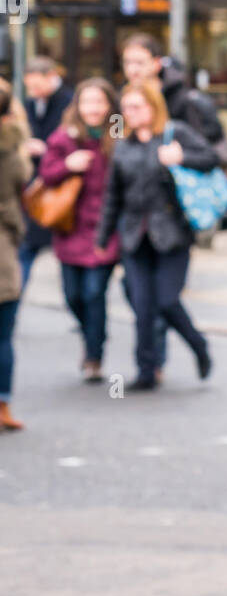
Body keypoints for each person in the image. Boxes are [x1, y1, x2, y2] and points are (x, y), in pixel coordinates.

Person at [97, 82, 218, 392]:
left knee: (166, 299)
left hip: (172, 233)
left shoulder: (175, 133)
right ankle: (146, 369)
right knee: (142, 304)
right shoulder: (122, 145)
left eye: (136, 107)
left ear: (153, 107)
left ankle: (198, 345)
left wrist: (181, 157)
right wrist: (102, 237)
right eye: (126, 108)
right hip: (135, 236)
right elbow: (113, 196)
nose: (129, 113)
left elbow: (212, 158)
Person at [39, 79, 121, 383]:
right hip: (70, 231)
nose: (93, 109)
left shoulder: (117, 137)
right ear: (78, 106)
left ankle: (93, 355)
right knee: (73, 296)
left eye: (99, 102)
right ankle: (93, 332)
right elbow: (45, 175)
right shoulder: (64, 138)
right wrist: (68, 165)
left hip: (105, 231)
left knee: (94, 293)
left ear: (110, 106)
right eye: (87, 102)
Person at [121, 34, 227, 154]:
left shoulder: (180, 98)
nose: (132, 70)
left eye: (139, 63)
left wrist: (180, 156)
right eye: (127, 63)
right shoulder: (122, 97)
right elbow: (118, 137)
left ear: (157, 64)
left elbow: (202, 149)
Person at [19, 56, 73, 291]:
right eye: (29, 87)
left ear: (52, 77)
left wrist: (47, 149)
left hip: (63, 188)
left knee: (70, 261)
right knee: (26, 250)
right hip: (37, 187)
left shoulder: (70, 102)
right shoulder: (30, 103)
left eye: (37, 86)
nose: (33, 92)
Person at [0, 79, 32, 429]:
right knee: (3, 336)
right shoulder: (10, 153)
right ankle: (3, 405)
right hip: (3, 254)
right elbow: (20, 183)